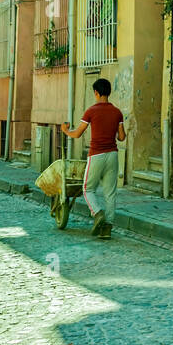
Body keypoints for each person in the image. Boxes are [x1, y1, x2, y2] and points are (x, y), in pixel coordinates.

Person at [61, 78, 125, 240]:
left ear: (96, 93)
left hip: (96, 154)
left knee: (87, 189)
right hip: (113, 155)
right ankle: (107, 229)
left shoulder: (91, 111)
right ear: (109, 92)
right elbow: (122, 137)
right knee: (110, 193)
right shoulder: (117, 112)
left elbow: (77, 134)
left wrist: (65, 130)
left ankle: (97, 213)